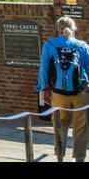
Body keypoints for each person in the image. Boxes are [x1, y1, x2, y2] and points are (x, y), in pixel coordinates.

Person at [37, 15, 89, 161]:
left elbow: (43, 69)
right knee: (80, 127)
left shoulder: (50, 44)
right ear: (74, 29)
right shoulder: (82, 46)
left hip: (58, 93)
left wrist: (44, 88)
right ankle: (79, 159)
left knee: (60, 125)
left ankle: (60, 156)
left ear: (58, 29)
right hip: (81, 92)